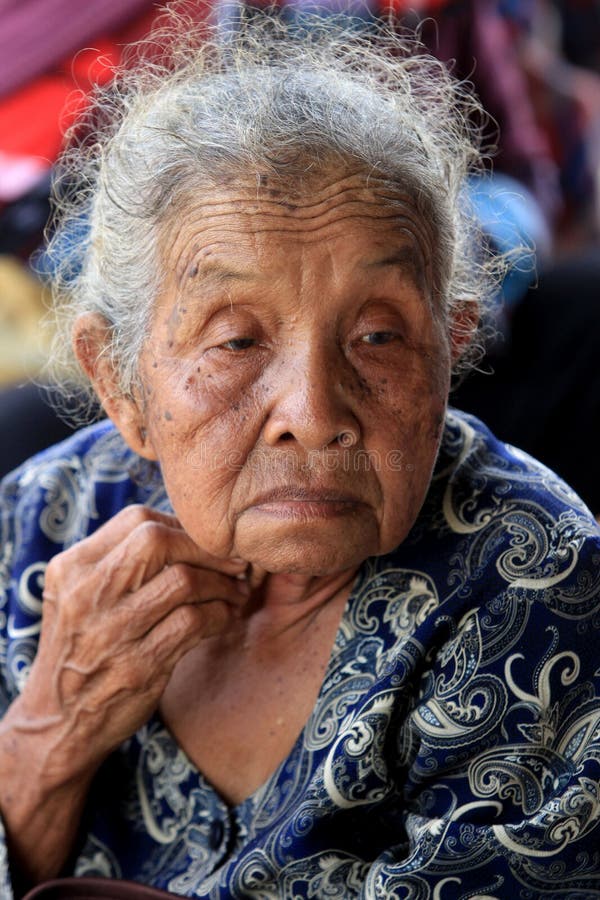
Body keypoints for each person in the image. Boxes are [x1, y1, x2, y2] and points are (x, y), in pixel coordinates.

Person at [0, 6, 599, 898]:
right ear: (119, 381)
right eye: (236, 341)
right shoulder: (40, 522)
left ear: (450, 350)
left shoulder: (533, 578)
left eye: (378, 336)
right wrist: (45, 737)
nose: (315, 415)